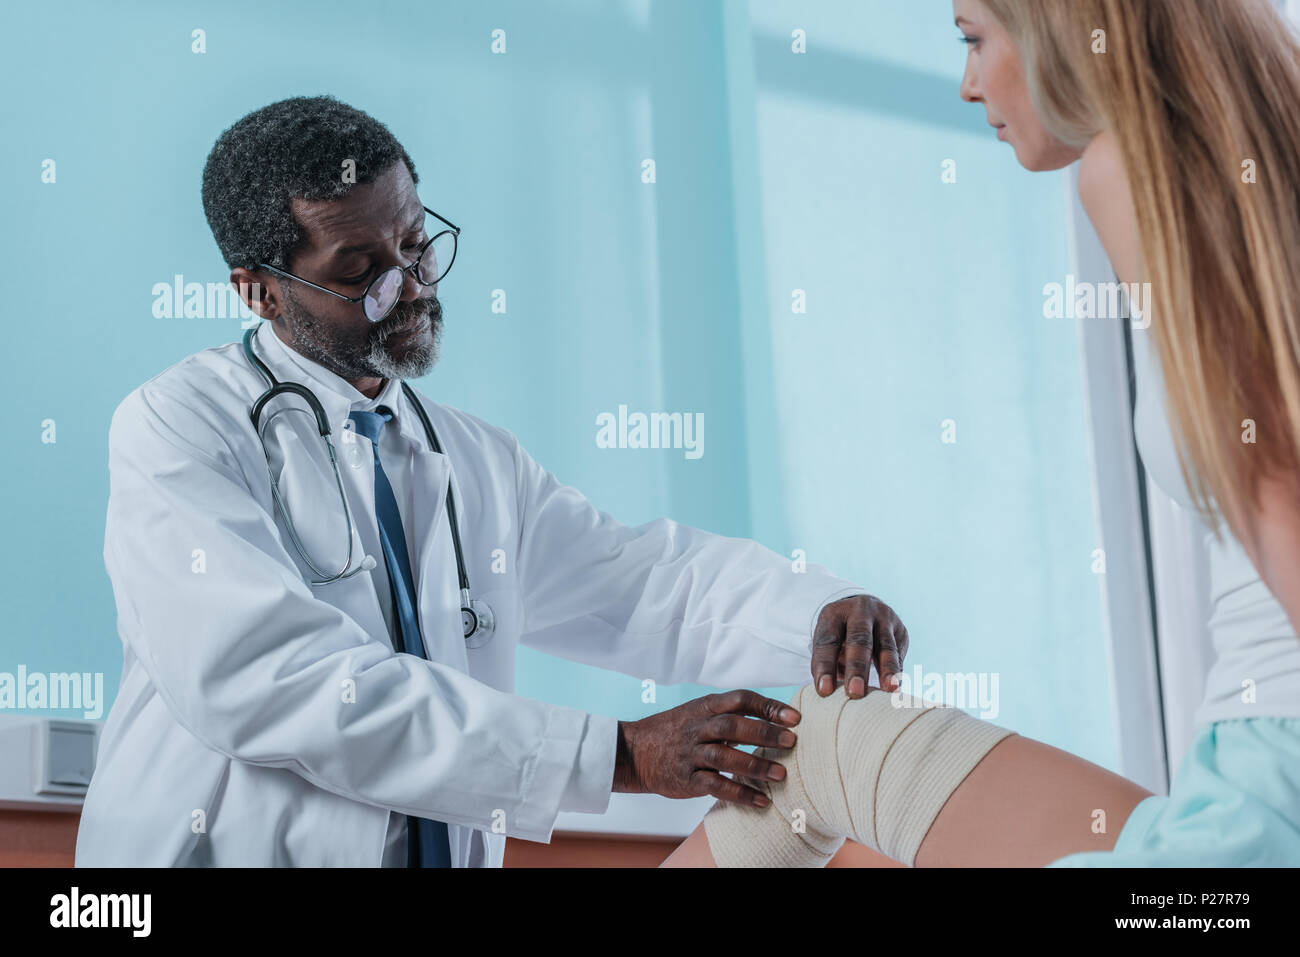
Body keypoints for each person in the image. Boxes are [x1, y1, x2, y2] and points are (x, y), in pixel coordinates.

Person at [75, 95, 912, 867]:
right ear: (259, 289)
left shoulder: (471, 458)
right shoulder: (180, 428)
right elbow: (278, 681)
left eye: (415, 244)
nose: (409, 287)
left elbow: (637, 584)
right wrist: (618, 755)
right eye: (359, 268)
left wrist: (817, 612)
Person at [664, 0, 1300, 868]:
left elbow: (1274, 490)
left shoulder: (1125, 173)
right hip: (1246, 777)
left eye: (974, 37)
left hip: (1265, 796)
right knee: (815, 746)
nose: (968, 84)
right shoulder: (1264, 156)